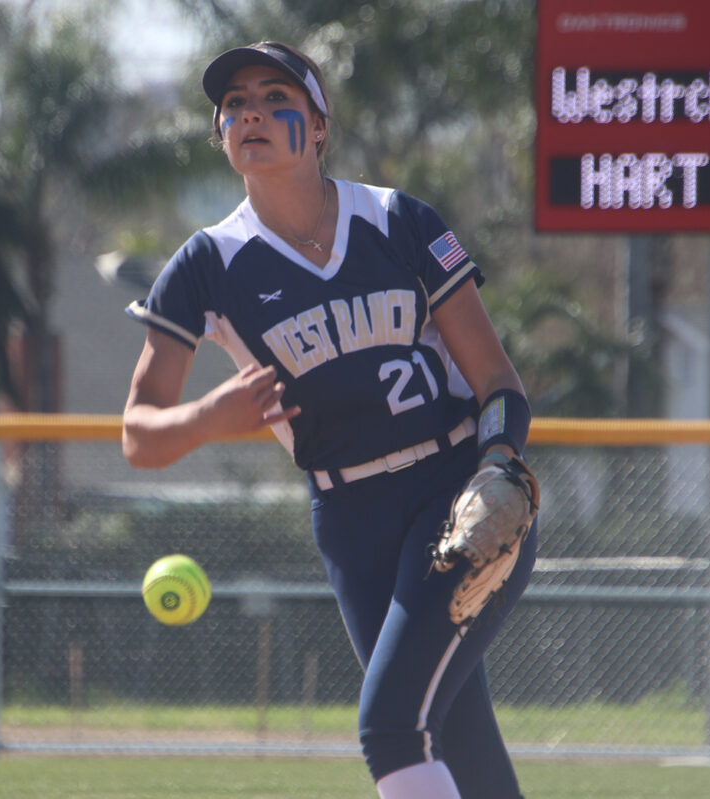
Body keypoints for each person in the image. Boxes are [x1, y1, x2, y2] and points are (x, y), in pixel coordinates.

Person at [121, 41, 536, 799]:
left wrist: (500, 462)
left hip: (457, 492)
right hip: (348, 519)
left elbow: (498, 381)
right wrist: (208, 418)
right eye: (234, 102)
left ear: (317, 126)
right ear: (221, 135)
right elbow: (138, 434)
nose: (250, 110)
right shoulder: (207, 262)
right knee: (455, 735)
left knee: (392, 728)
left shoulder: (396, 219)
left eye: (275, 97)